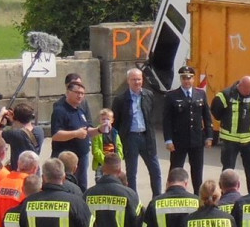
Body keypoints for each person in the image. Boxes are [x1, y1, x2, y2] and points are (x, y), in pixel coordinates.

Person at [111, 68, 162, 197]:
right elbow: (115, 123)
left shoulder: (148, 95)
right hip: (130, 138)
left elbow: (151, 115)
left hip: (147, 137)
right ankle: (133, 200)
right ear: (128, 81)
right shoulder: (120, 99)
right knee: (131, 173)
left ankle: (156, 198)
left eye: (139, 79)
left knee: (155, 170)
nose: (137, 82)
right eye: (134, 79)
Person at [162, 65, 212, 194]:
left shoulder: (200, 93)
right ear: (181, 79)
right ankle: (172, 194)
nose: (187, 81)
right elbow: (167, 120)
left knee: (197, 171)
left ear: (193, 79)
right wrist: (168, 140)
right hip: (179, 140)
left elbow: (206, 116)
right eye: (184, 78)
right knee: (176, 170)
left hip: (196, 140)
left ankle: (198, 196)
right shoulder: (172, 96)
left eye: (189, 78)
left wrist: (209, 136)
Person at [212, 76, 250, 189]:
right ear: (240, 86)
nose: (249, 92)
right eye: (247, 90)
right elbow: (216, 112)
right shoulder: (225, 95)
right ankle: (225, 195)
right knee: (228, 171)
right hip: (230, 140)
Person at [50, 79, 98, 190]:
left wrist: (99, 130)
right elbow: (56, 134)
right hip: (66, 159)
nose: (80, 96)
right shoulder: (60, 110)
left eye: (82, 94)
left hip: (81, 157)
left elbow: (86, 131)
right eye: (77, 93)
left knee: (81, 187)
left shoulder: (80, 111)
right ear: (68, 92)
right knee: (66, 187)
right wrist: (76, 133)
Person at [0, 102, 44, 173]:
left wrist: (0, 115)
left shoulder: (16, 135)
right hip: (35, 174)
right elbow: (22, 131)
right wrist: (14, 120)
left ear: (16, 119)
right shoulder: (39, 130)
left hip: (20, 175)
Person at [89, 108, 123, 185]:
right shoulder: (97, 133)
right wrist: (105, 161)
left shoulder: (115, 133)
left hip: (113, 163)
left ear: (112, 120)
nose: (105, 121)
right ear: (100, 120)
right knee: (100, 181)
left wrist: (118, 158)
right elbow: (95, 150)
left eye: (108, 119)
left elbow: (119, 146)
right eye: (103, 119)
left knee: (115, 182)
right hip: (101, 164)